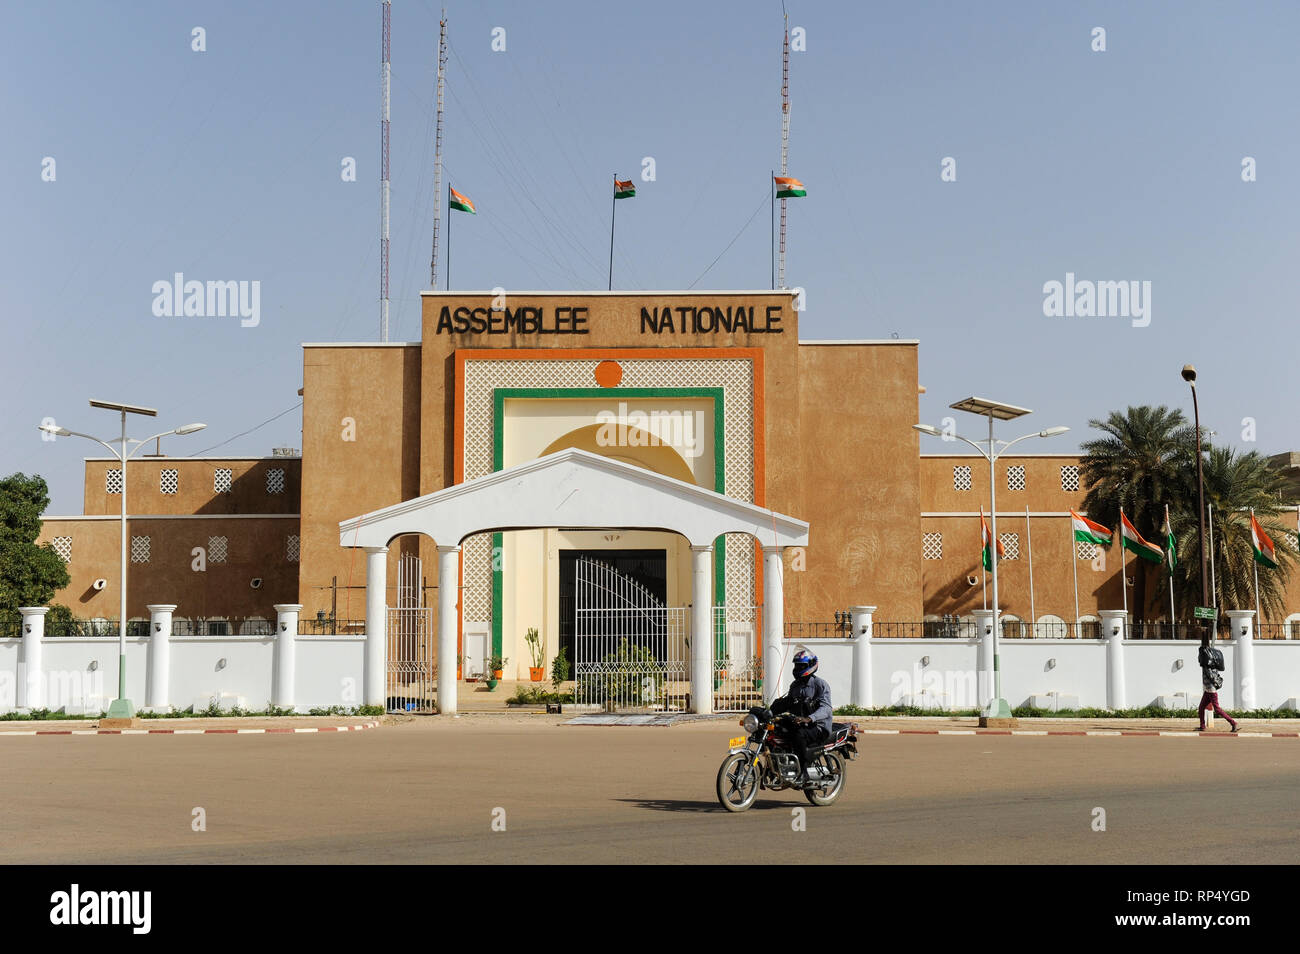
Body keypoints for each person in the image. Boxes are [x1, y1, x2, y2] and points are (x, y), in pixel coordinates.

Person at [770, 649, 833, 776]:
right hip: (800, 723)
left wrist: (809, 718)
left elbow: (826, 708)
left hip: (818, 726)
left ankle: (803, 772)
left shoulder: (820, 684)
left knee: (798, 735)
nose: (798, 668)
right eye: (796, 665)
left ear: (811, 665)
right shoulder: (795, 685)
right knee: (775, 731)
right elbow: (790, 702)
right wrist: (770, 712)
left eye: (802, 666)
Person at [1196, 642, 1238, 733]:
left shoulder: (1208, 667)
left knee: (1217, 710)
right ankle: (1202, 726)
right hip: (1208, 691)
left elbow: (1211, 677)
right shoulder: (1210, 665)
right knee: (1201, 708)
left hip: (1211, 691)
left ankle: (1233, 723)